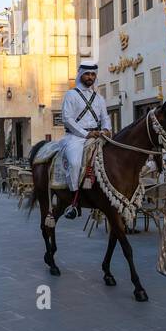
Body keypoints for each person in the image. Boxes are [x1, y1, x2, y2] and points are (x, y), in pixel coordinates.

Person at [60, 61, 109, 219]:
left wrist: (107, 129)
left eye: (93, 74)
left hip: (98, 136)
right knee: (74, 163)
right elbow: (67, 119)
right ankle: (74, 200)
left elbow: (105, 117)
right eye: (87, 74)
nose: (90, 77)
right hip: (75, 137)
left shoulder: (99, 98)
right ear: (81, 74)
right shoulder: (71, 95)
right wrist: (85, 134)